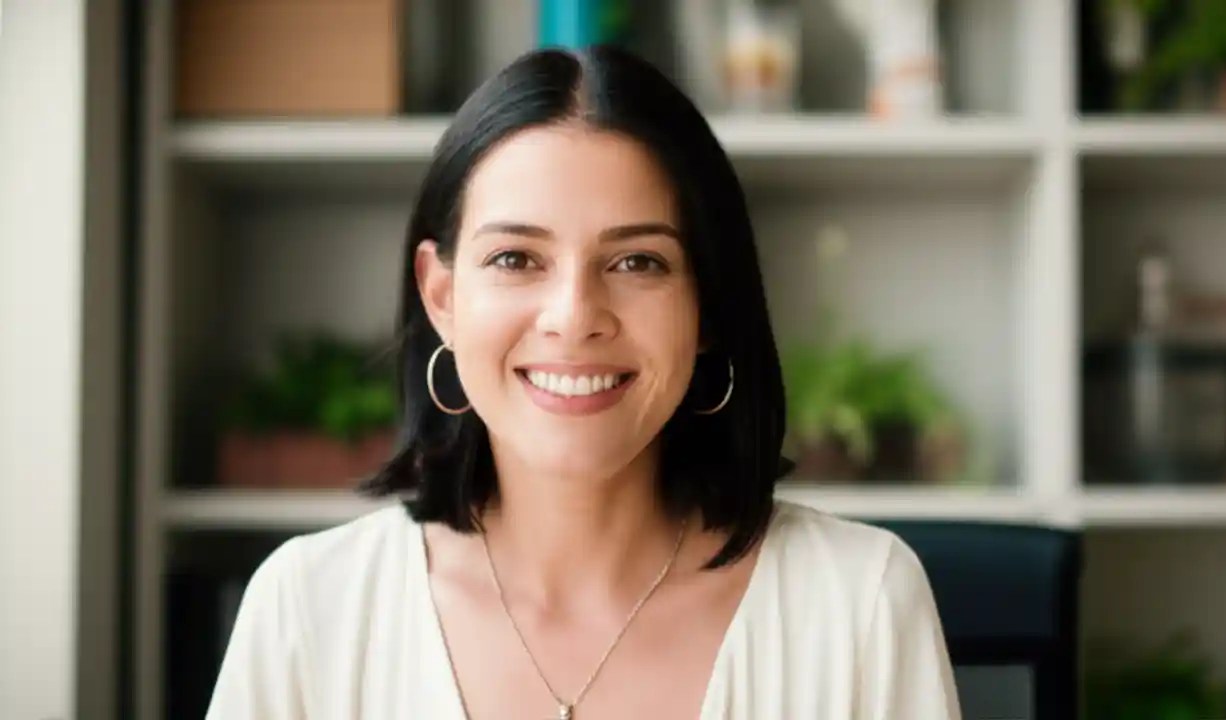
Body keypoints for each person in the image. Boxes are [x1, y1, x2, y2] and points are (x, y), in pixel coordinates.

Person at [205, 45, 961, 720]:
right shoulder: (308, 609)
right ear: (442, 296)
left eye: (638, 262)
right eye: (516, 259)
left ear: (708, 307)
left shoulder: (860, 604)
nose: (574, 318)